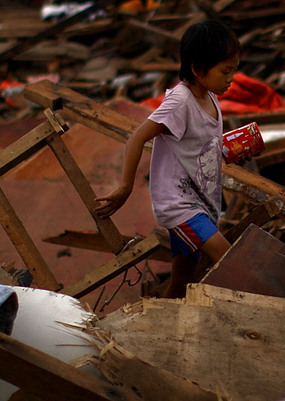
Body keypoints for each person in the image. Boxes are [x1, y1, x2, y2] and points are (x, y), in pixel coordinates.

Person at [96, 19, 240, 298]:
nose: (231, 78)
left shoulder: (210, 98)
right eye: (226, 71)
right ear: (198, 69)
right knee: (227, 259)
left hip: (203, 203)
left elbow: (200, 147)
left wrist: (230, 150)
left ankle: (159, 320)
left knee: (183, 279)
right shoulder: (180, 102)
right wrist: (125, 187)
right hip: (181, 208)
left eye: (233, 70)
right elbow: (138, 137)